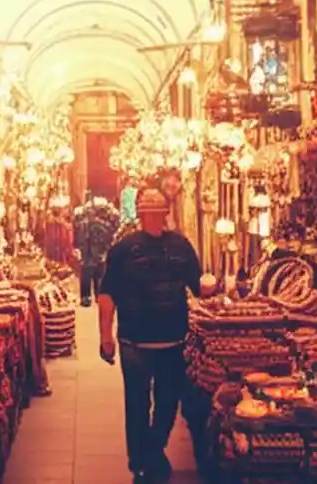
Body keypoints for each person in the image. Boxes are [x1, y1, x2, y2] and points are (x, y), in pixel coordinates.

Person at [98, 188, 201, 483]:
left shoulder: (181, 246)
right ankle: (140, 460)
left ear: (165, 213)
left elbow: (198, 286)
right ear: (142, 215)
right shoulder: (122, 250)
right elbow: (107, 294)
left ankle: (152, 450)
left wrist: (213, 290)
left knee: (168, 401)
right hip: (135, 341)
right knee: (137, 403)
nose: (154, 217)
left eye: (158, 212)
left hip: (173, 339)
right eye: (150, 212)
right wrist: (106, 336)